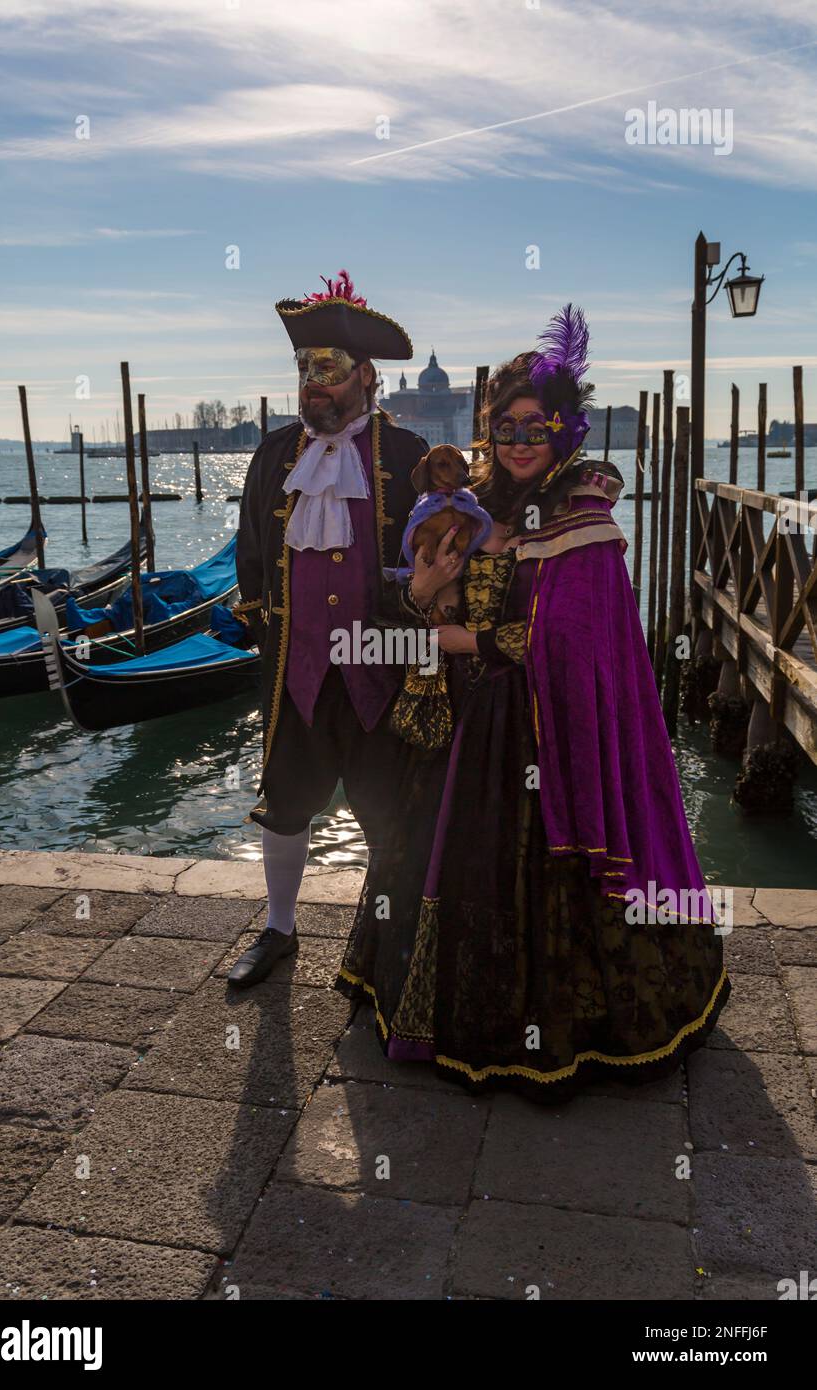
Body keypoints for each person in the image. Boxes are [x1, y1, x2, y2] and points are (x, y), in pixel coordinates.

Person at [335, 305, 730, 1102]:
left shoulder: (584, 518)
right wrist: (422, 594)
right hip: (459, 733)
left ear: (566, 429)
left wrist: (470, 647)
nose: (518, 442)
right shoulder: (471, 505)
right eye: (505, 427)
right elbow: (425, 605)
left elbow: (575, 648)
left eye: (535, 426)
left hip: (543, 738)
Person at [230, 270, 427, 987]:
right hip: (298, 669)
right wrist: (266, 638)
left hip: (385, 668)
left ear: (366, 378)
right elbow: (253, 553)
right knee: (285, 806)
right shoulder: (276, 456)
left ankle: (381, 952)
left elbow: (438, 557)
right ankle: (280, 929)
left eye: (329, 371)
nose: (314, 385)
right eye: (304, 371)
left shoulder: (410, 461)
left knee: (389, 815)